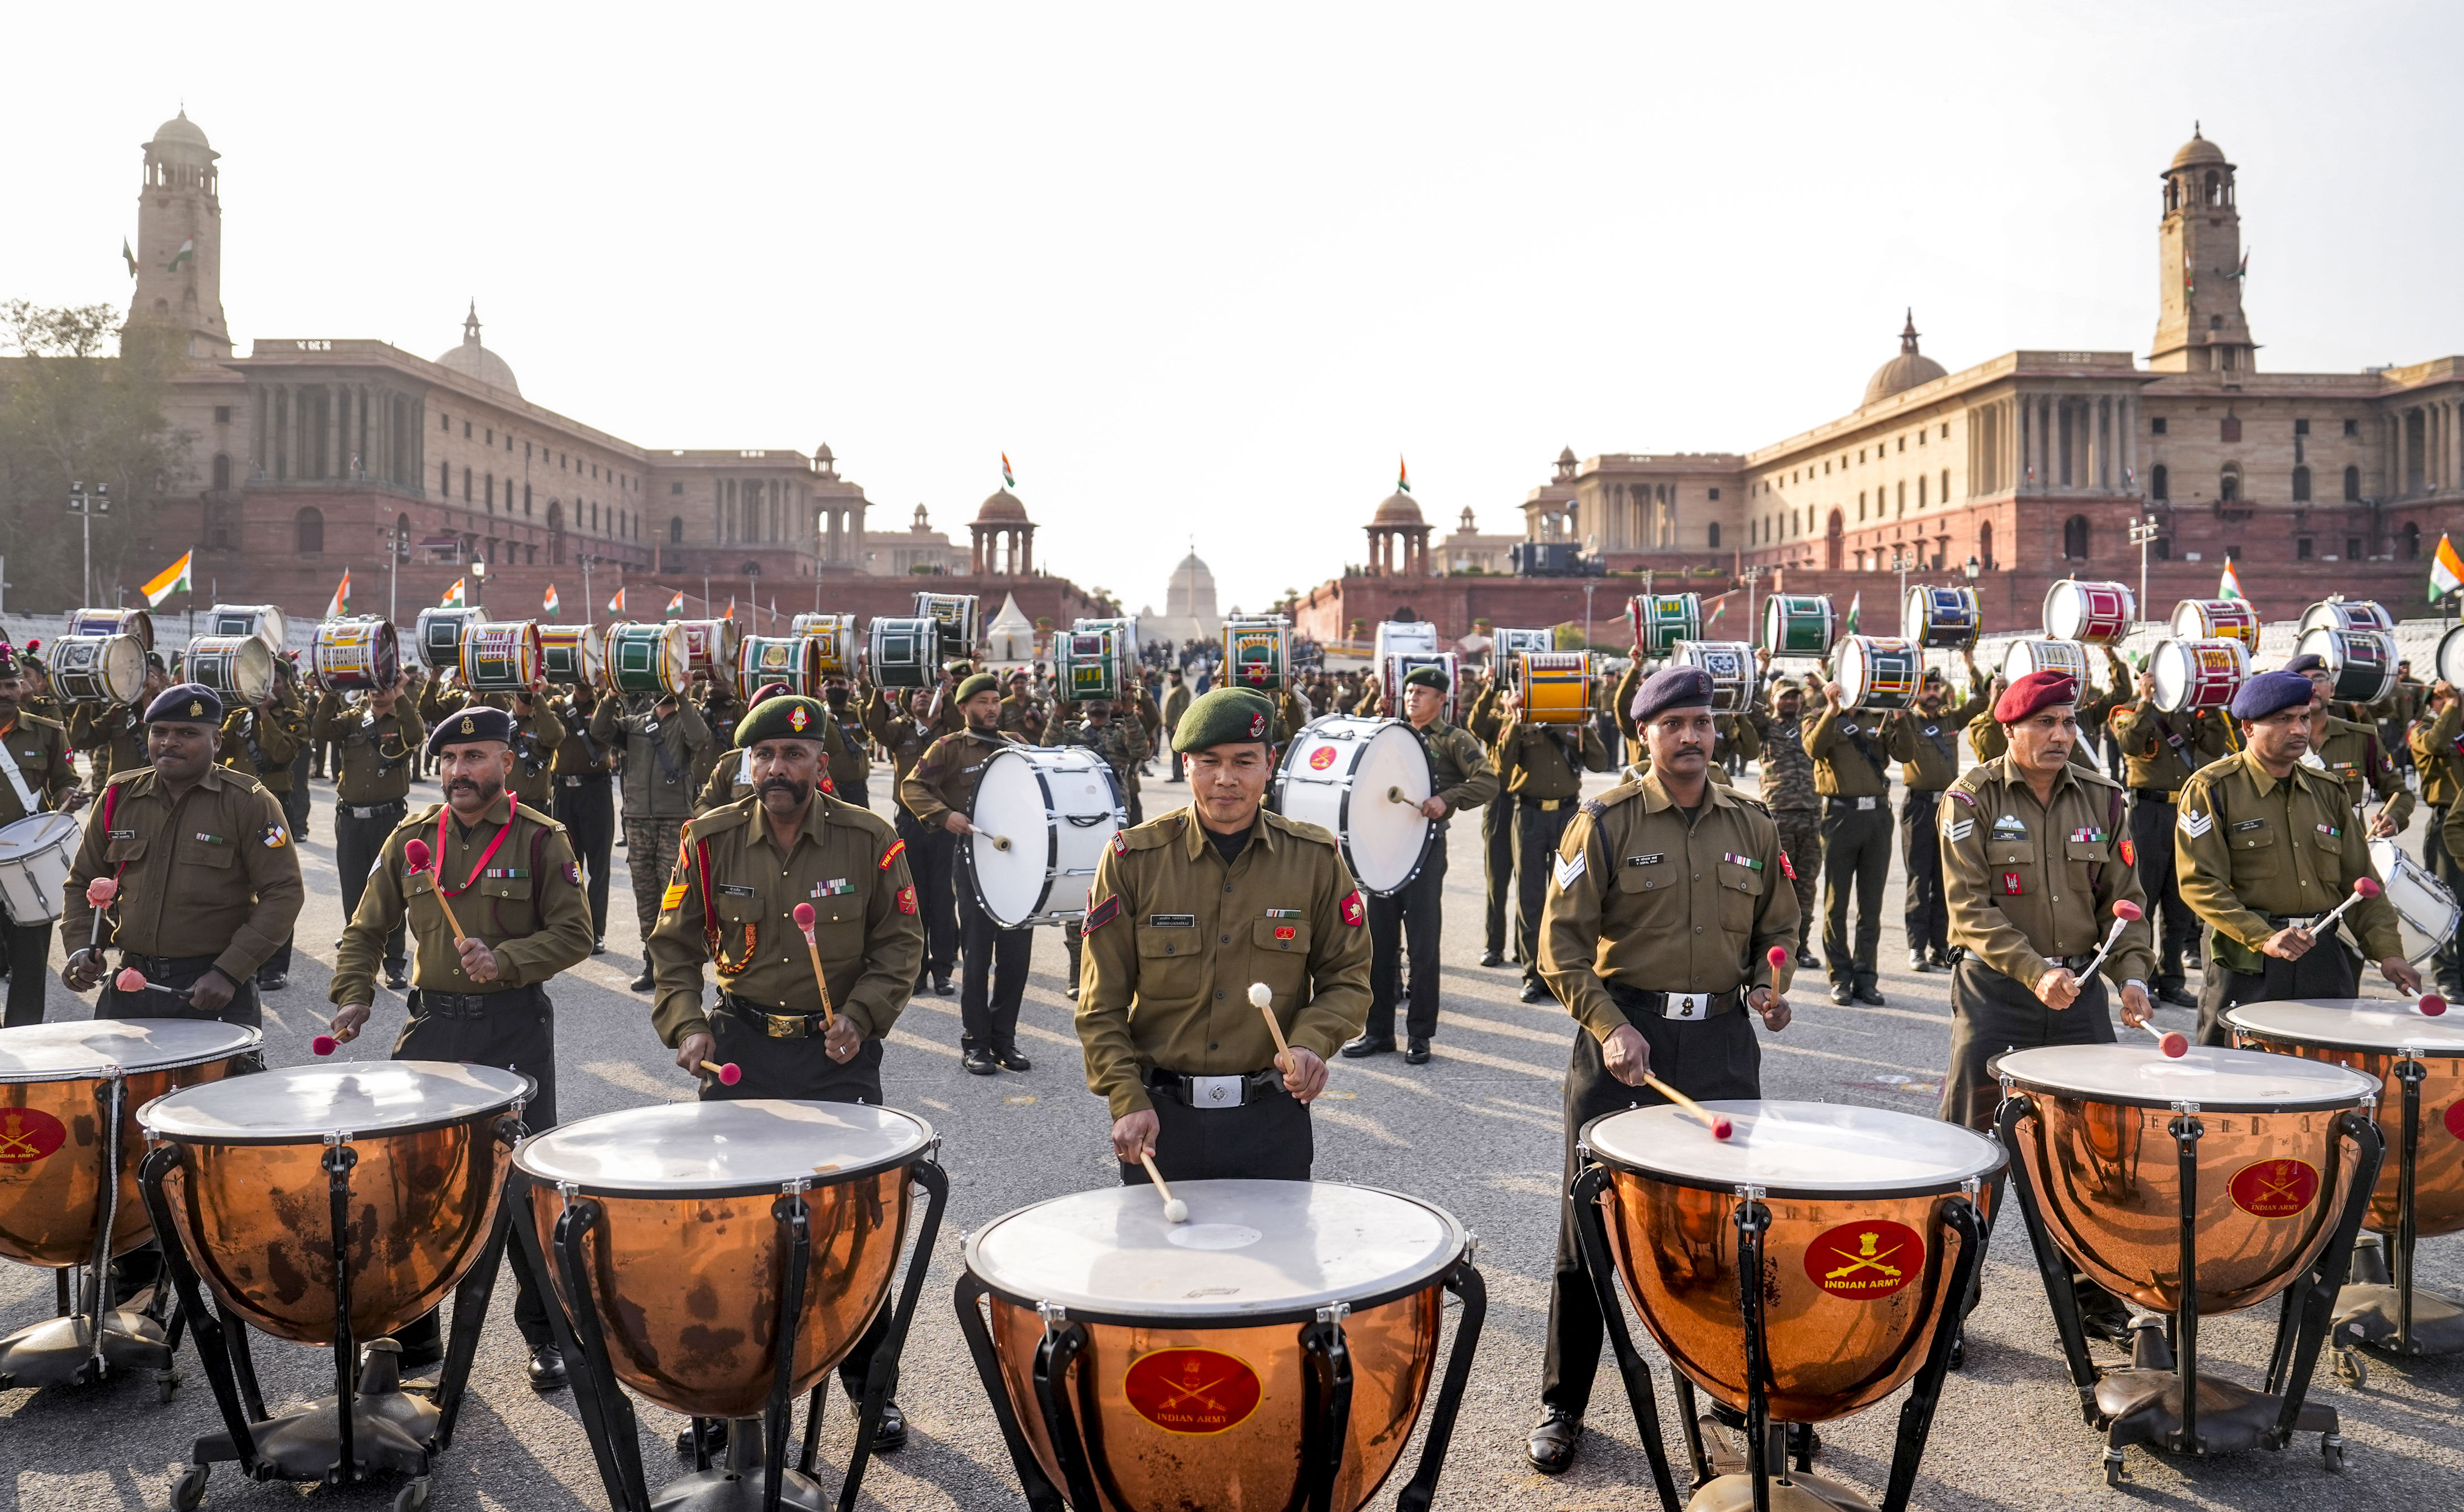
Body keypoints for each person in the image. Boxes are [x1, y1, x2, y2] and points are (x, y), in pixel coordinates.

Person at [1527, 667, 1797, 1475]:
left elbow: (1778, 926)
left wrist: (1771, 987)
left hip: (1720, 1043)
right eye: (1674, 723)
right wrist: (1610, 1026)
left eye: (1703, 722)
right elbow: (1559, 948)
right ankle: (1563, 1402)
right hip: (1625, 1046)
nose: (1692, 737)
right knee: (1590, 1230)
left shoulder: (1753, 823)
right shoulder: (1603, 822)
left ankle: (1726, 1386)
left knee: (1723, 1227)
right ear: (1643, 733)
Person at [645, 693, 924, 1454]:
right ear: (747, 764)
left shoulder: (871, 841)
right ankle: (723, 1395)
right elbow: (673, 946)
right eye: (764, 755)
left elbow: (901, 945)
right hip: (741, 1051)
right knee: (729, 1231)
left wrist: (862, 1017)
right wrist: (688, 1022)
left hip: (834, 1056)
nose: (777, 768)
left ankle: (872, 1391)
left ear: (820, 766)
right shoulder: (710, 838)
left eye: (793, 755)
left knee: (849, 1228)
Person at [325, 705, 595, 1391]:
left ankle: (547, 1333)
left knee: (522, 1186)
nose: (458, 772)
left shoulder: (542, 839)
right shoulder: (412, 838)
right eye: (448, 760)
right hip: (434, 1028)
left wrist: (505, 959)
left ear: (508, 763)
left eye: (474, 757)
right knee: (409, 1182)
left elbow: (575, 936)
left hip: (512, 1027)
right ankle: (413, 1332)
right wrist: (353, 993)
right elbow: (364, 928)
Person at [1077, 686, 1371, 1184]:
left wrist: (1310, 1044)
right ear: (1186, 764)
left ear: (1270, 763)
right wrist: (1125, 1098)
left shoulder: (1314, 860)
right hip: (1161, 1121)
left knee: (1281, 1259)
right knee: (1162, 1264)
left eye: (1244, 761)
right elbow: (1099, 1001)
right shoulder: (1134, 860)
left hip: (1272, 1119)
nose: (1226, 779)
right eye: (1209, 762)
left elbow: (1348, 978)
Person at [1937, 669, 2157, 1129]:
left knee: (2098, 1138)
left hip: (2080, 988)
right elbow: (1970, 910)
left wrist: (2133, 976)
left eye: (2068, 722)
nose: (2061, 736)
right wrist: (2037, 973)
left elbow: (2125, 904)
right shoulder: (1972, 800)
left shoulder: (2103, 799)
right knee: (1975, 1138)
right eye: (2044, 723)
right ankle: (1973, 1205)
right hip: (1996, 992)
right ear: (2009, 730)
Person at [2175, 669, 2416, 1046]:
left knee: (2330, 1076)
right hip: (2247, 960)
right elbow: (2199, 884)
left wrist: (2389, 953)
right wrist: (2264, 937)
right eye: (2282, 720)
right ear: (2248, 728)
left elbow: (2362, 884)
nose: (2299, 729)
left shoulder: (2328, 791)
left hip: (2321, 956)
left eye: (2303, 717)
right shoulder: (2213, 789)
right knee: (2231, 1078)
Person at [62, 684, 304, 1028]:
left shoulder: (248, 802)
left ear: (216, 741)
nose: (169, 742)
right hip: (130, 984)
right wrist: (80, 949)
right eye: (159, 732)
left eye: (187, 733)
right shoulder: (119, 797)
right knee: (114, 1082)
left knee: (223, 1083)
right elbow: (83, 881)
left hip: (212, 987)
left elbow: (284, 892)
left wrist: (230, 971)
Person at [1344, 666, 1495, 1060]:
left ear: (1442, 700)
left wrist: (1449, 798)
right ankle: (1377, 1033)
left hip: (1426, 852)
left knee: (1424, 947)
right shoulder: (1392, 734)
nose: (1412, 697)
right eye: (1410, 691)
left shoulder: (1453, 739)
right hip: (1384, 851)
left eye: (1423, 692)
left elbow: (1488, 780)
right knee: (1378, 945)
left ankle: (1420, 1035)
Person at [901, 673, 1035, 1074]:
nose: (992, 708)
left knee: (1016, 957)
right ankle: (975, 1043)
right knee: (978, 955)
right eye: (982, 702)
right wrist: (946, 816)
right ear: (963, 708)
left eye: (996, 701)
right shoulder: (950, 748)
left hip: (1020, 861)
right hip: (975, 858)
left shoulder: (1016, 745)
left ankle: (1004, 1040)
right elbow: (913, 787)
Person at [2107, 661, 2236, 1007]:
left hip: (2184, 812)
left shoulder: (2188, 713)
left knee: (2179, 903)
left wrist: (2210, 705)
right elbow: (2130, 744)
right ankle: (2142, 979)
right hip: (2148, 813)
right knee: (2144, 899)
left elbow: (2212, 746)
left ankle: (2173, 980)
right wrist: (2146, 701)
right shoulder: (2129, 711)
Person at [1491, 685, 1613, 1004]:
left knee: (1570, 897)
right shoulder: (1521, 721)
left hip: (1568, 816)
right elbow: (1501, 771)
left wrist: (1585, 725)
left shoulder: (1574, 721)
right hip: (1529, 815)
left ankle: (1566, 974)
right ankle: (1534, 975)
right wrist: (1516, 722)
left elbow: (1600, 763)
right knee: (1531, 897)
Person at [591, 685, 712, 989]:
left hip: (673, 819)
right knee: (645, 894)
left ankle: (679, 960)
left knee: (676, 893)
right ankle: (652, 960)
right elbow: (600, 730)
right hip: (636, 819)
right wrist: (612, 695)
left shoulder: (686, 718)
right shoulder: (637, 723)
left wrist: (683, 696)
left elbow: (700, 738)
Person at [313, 672, 427, 990]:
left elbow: (416, 735)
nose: (378, 692)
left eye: (386, 686)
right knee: (353, 890)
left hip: (387, 818)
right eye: (374, 686)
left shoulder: (402, 719)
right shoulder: (353, 719)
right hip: (350, 819)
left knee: (390, 890)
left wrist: (400, 694)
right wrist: (331, 692)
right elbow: (320, 730)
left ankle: (394, 963)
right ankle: (360, 963)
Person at [0, 643, 83, 1025]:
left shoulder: (48, 733)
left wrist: (70, 795)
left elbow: (65, 782)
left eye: (12, 684)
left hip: (26, 866)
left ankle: (22, 1034)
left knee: (31, 961)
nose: (5, 693)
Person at [216, 669, 309, 992]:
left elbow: (283, 754)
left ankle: (275, 968)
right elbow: (219, 749)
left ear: (286, 686)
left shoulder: (294, 718)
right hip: (234, 806)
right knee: (234, 883)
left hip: (273, 809)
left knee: (275, 885)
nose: (270, 687)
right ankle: (242, 962)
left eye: (277, 682)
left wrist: (265, 715)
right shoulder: (238, 716)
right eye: (264, 682)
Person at [1892, 662, 1987, 973]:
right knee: (1919, 879)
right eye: (1927, 688)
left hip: (1948, 806)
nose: (1932, 694)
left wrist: (1970, 663)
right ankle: (1917, 947)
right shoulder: (1906, 719)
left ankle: (1940, 945)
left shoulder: (1949, 719)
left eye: (1936, 688)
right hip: (1919, 807)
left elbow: (1981, 702)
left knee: (1946, 879)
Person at [1805, 676, 1895, 1004]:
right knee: (1836, 902)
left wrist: (1901, 715)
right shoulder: (1817, 715)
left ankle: (1866, 977)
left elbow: (1905, 753)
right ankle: (1840, 977)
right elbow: (1813, 749)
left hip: (1878, 817)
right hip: (1840, 817)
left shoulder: (1877, 715)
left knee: (1871, 905)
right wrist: (1832, 710)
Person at [869, 685, 955, 997]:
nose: (923, 695)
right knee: (912, 898)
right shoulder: (899, 730)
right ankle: (917, 971)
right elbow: (875, 726)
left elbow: (961, 721)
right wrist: (878, 690)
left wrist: (949, 689)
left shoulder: (951, 730)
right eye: (917, 691)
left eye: (930, 691)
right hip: (909, 822)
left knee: (944, 899)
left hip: (946, 822)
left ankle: (943, 970)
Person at [1743, 666, 1822, 968]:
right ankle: (1769, 945)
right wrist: (1760, 669)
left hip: (1812, 813)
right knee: (1776, 884)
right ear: (1773, 699)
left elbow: (1830, 704)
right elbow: (1748, 702)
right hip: (1778, 815)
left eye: (1795, 697)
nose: (1791, 702)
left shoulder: (1809, 724)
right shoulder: (1766, 727)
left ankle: (1800, 946)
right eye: (1784, 697)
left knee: (1806, 884)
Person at [2285, 653, 2412, 837]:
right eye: (2302, 679)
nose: (2312, 686)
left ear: (2333, 689)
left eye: (2320, 679)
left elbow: (2401, 794)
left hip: (2349, 851)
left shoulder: (2361, 737)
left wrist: (2393, 817)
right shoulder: (2273, 740)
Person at [552, 680, 618, 952]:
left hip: (595, 790)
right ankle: (572, 929)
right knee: (568, 865)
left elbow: (606, 734)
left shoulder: (605, 704)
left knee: (599, 867)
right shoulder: (556, 705)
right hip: (564, 791)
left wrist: (605, 690)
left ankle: (596, 932)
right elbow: (547, 732)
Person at [1464, 669, 1521, 969]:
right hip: (1501, 803)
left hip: (1532, 804)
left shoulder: (1542, 718)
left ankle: (1524, 948)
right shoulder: (1497, 719)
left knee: (1530, 884)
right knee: (1497, 880)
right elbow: (1475, 723)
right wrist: (1490, 686)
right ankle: (1494, 945)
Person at [2412, 683, 2464, 996]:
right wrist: (2451, 707)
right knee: (2447, 904)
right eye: (2447, 699)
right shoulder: (2421, 729)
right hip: (2448, 823)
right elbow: (2436, 743)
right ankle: (2448, 976)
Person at [1161, 667, 1191, 781]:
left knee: (1177, 751)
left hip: (1175, 725)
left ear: (1178, 676)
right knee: (1174, 751)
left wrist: (1178, 723)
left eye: (1172, 676)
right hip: (1170, 724)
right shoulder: (1174, 688)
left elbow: (1183, 708)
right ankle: (1176, 774)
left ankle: (1178, 775)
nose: (1170, 678)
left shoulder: (1182, 689)